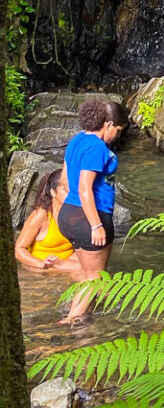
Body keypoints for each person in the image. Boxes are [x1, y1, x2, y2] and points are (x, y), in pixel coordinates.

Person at [56, 96, 128, 324]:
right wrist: (96, 225)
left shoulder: (76, 141)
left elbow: (66, 182)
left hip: (69, 214)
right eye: (118, 130)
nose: (117, 135)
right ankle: (72, 322)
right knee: (95, 277)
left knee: (90, 275)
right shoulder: (97, 147)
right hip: (90, 217)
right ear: (107, 124)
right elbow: (85, 187)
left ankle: (81, 317)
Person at [14, 169, 81, 276]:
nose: (70, 193)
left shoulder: (77, 215)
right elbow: (18, 249)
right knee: (80, 268)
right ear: (53, 192)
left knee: (88, 267)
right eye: (65, 190)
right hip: (39, 269)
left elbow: (83, 248)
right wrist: (41, 263)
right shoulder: (41, 215)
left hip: (65, 265)